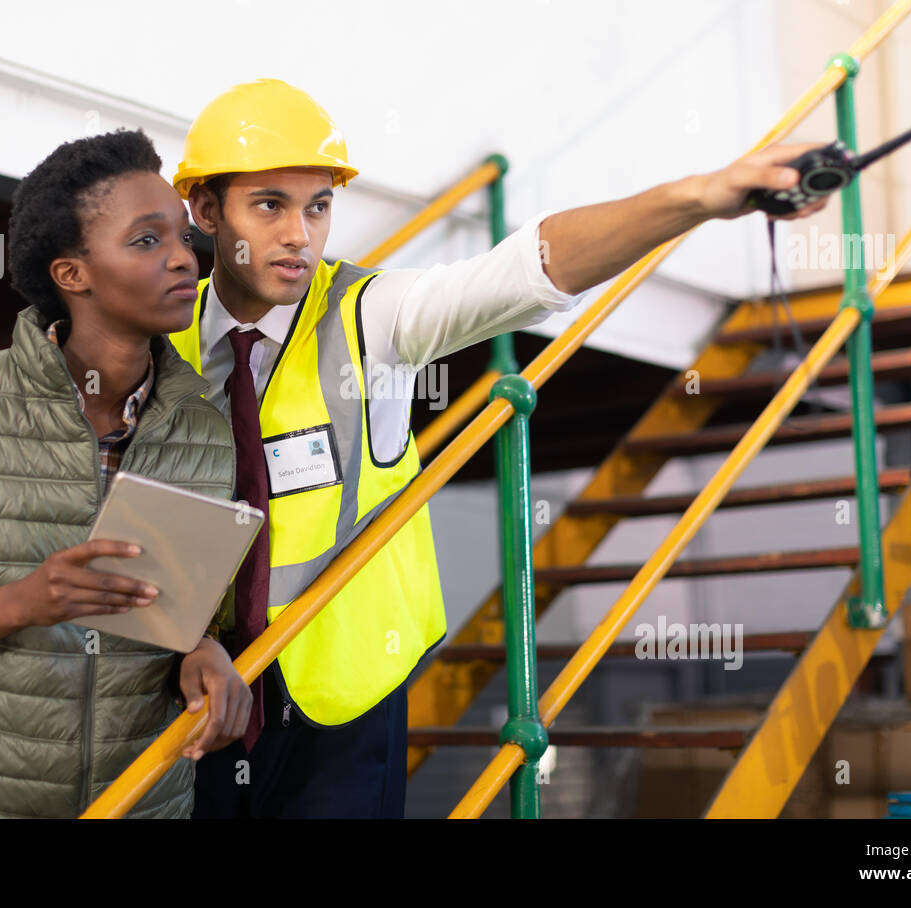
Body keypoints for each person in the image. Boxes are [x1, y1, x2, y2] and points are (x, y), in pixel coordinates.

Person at [168, 79, 829, 818]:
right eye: (270, 206)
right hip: (211, 689)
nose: (301, 234)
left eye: (318, 206)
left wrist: (701, 196)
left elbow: (528, 270)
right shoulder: (171, 340)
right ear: (203, 210)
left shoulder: (370, 318)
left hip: (348, 697)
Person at [0, 129, 250, 818]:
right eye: (147, 241)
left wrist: (205, 651)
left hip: (144, 802)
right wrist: (24, 603)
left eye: (182, 238)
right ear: (72, 274)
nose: (186, 258)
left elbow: (191, 613)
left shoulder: (207, 428)